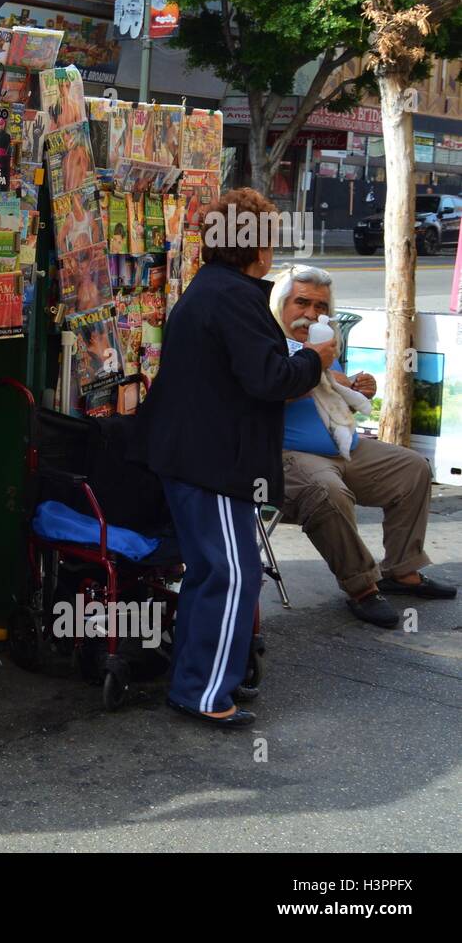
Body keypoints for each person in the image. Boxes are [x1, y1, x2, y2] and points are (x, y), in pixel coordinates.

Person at [134, 188, 334, 728]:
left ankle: (195, 682)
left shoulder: (215, 289)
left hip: (200, 456)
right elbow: (268, 379)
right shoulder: (231, 296)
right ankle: (202, 692)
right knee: (230, 575)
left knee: (214, 572)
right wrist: (315, 360)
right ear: (256, 246)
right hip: (214, 462)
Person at [270, 265, 456, 627]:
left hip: (343, 446)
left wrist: (356, 385)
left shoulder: (324, 338)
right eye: (302, 303)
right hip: (291, 455)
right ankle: (362, 587)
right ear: (281, 305)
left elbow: (333, 392)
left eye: (320, 306)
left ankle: (402, 570)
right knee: (326, 491)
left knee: (413, 468)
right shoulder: (265, 340)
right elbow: (264, 394)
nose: (311, 314)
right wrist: (312, 371)